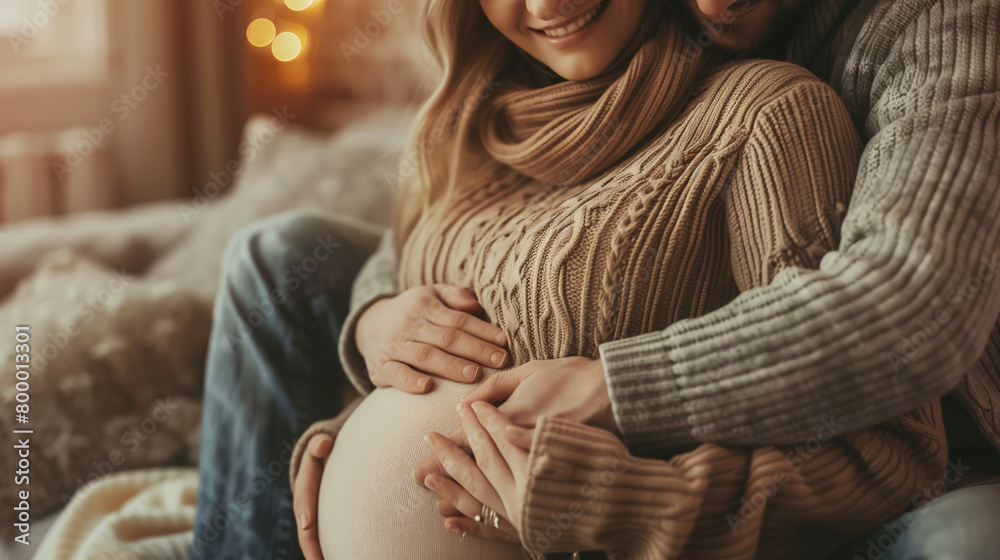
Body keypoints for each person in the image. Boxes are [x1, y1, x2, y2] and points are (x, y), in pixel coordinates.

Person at [287, 0, 950, 557]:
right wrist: (349, 437)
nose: (545, 4)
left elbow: (887, 458)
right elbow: (454, 363)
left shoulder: (768, 116)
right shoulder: (457, 141)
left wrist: (622, 502)